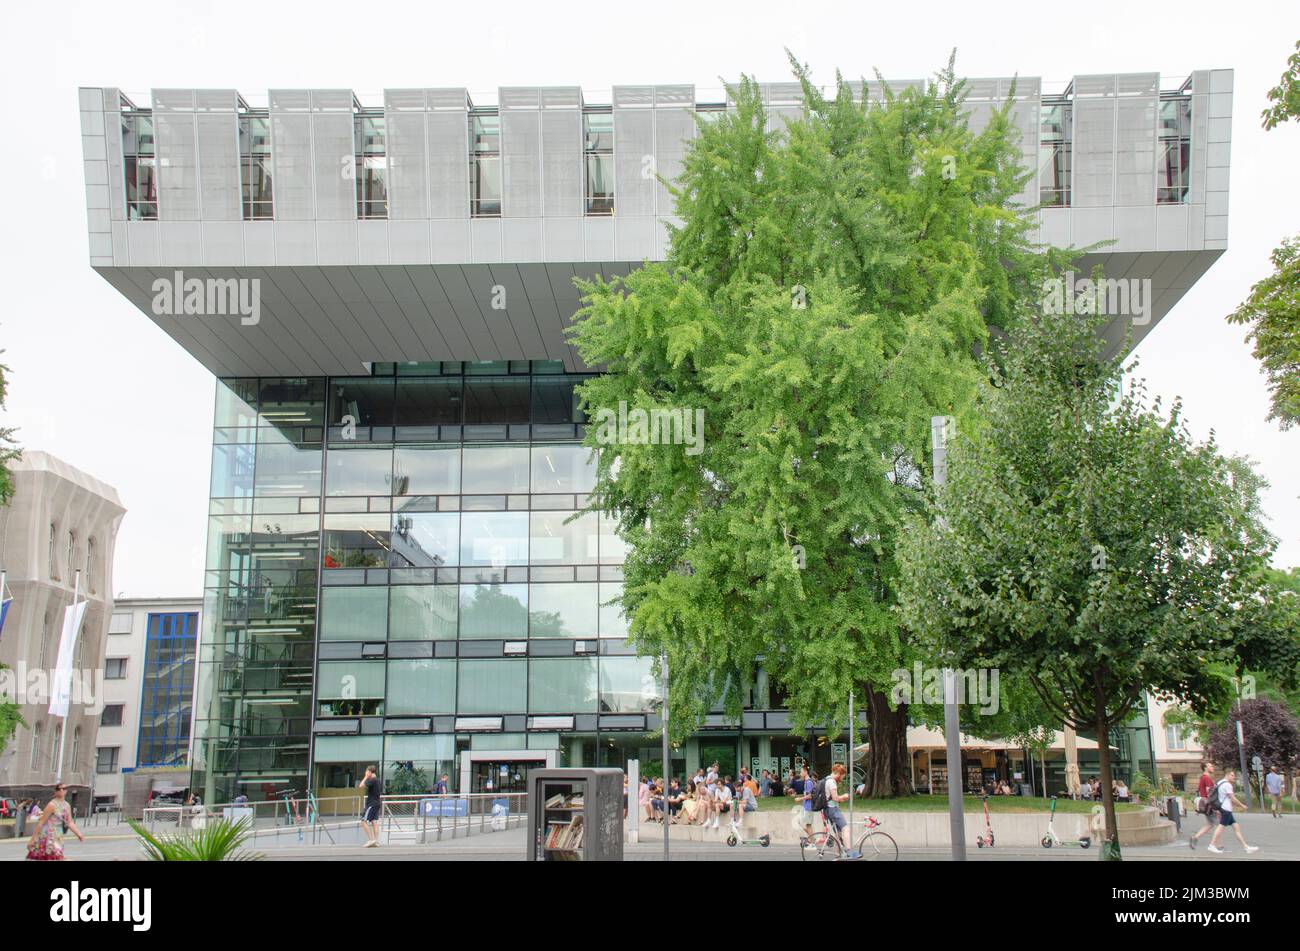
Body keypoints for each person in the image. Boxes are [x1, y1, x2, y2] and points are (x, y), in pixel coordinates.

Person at [26, 784, 84, 861]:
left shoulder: (67, 805)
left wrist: (78, 834)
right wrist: (33, 839)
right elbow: (41, 822)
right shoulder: (52, 805)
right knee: (53, 857)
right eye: (59, 789)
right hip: (48, 835)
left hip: (59, 835)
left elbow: (69, 822)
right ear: (56, 791)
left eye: (64, 788)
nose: (62, 790)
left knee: (55, 857)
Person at [1208, 769, 1259, 854]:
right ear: (1227, 775)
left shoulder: (1220, 782)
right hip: (1226, 809)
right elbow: (1233, 798)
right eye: (1232, 775)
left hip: (1224, 808)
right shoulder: (1227, 785)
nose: (1233, 777)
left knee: (1236, 827)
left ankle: (1246, 847)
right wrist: (1242, 805)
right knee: (1221, 827)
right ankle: (1212, 845)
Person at [823, 762, 851, 852]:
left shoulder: (826, 779)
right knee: (845, 829)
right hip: (833, 810)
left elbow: (831, 798)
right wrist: (844, 796)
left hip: (827, 809)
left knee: (838, 833)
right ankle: (850, 852)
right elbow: (835, 798)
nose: (842, 778)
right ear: (838, 773)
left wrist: (841, 799)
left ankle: (837, 855)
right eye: (843, 776)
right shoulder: (831, 782)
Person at [1190, 761, 1218, 849]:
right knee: (1219, 825)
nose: (1212, 767)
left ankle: (1195, 838)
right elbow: (1209, 792)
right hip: (1209, 804)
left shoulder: (1202, 777)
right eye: (1210, 766)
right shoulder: (1207, 778)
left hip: (1205, 804)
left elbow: (1199, 791)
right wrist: (1215, 806)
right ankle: (1215, 845)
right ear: (1205, 768)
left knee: (1210, 824)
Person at [358, 765, 382, 848]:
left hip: (372, 804)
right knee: (374, 821)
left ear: (370, 772)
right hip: (377, 803)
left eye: (366, 771)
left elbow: (361, 786)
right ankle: (376, 841)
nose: (366, 773)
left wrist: (365, 777)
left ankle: (371, 840)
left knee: (363, 820)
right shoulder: (378, 780)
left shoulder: (372, 780)